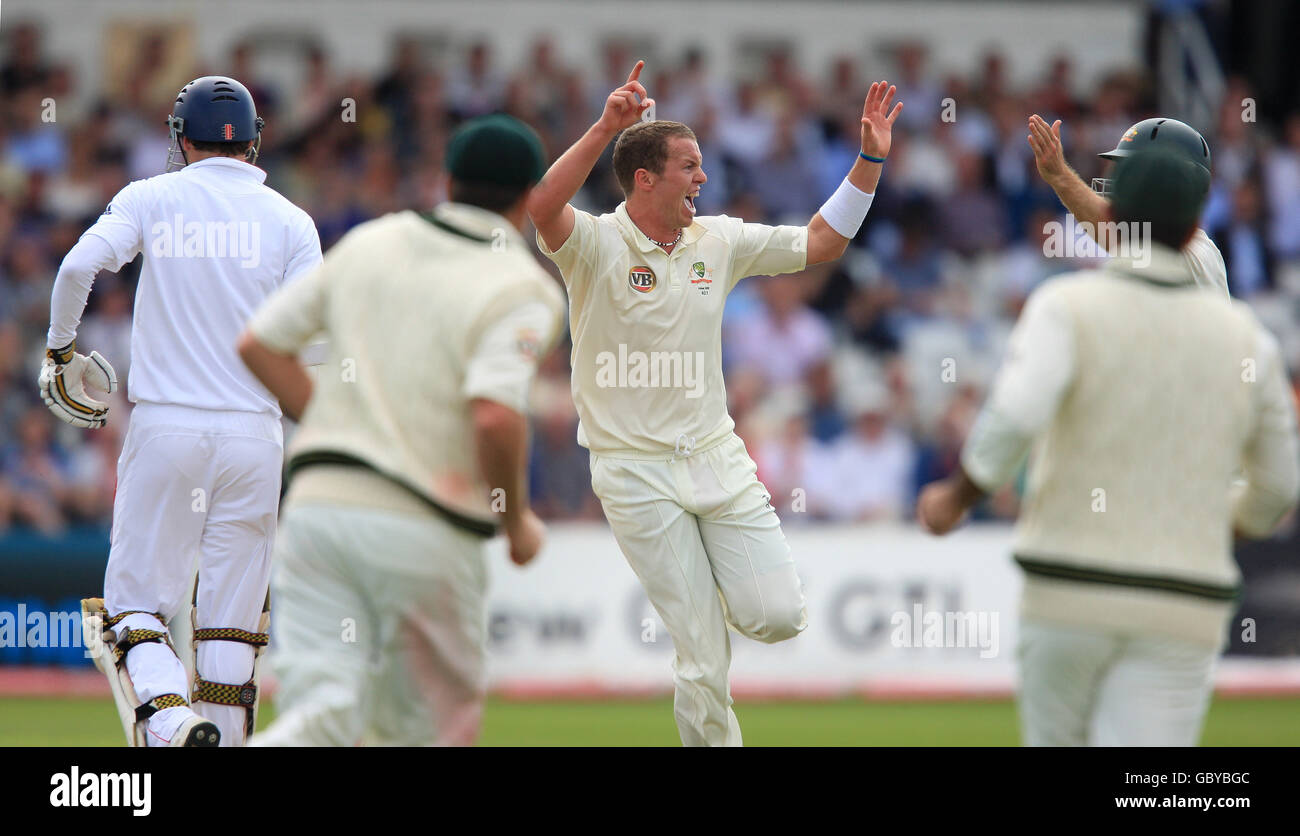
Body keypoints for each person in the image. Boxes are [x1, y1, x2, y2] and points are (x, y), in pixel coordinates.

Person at [527, 61, 902, 746]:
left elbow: (824, 241)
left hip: (714, 456)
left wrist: (870, 158)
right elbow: (542, 207)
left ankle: (704, 592)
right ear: (645, 178)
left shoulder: (718, 241)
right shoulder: (595, 244)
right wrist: (606, 127)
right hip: (632, 469)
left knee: (779, 615)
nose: (703, 178)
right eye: (689, 166)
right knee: (702, 654)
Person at [916, 149, 1300, 746]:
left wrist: (956, 498)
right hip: (1183, 596)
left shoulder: (1065, 306)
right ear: (1199, 218)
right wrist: (1216, 524)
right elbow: (1277, 488)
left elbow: (1015, 415)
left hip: (1070, 587)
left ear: (1116, 212)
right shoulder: (1250, 339)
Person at [239, 114, 565, 747]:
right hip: (427, 528)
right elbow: (495, 414)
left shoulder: (372, 241)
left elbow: (260, 345)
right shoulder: (523, 286)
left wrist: (343, 424)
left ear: (445, 181)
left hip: (316, 513)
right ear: (530, 196)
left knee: (326, 717)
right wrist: (518, 520)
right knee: (428, 733)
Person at [44, 76, 322, 746]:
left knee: (134, 606)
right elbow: (315, 350)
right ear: (255, 141)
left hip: (167, 425)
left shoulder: (152, 197)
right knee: (232, 624)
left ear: (180, 138)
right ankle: (218, 737)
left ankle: (171, 722)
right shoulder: (292, 220)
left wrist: (58, 351)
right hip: (257, 433)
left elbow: (78, 267)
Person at [1027, 114, 1229, 298]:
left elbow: (1126, 236)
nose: (1122, 184)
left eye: (1132, 173)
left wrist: (1061, 177)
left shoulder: (1199, 253)